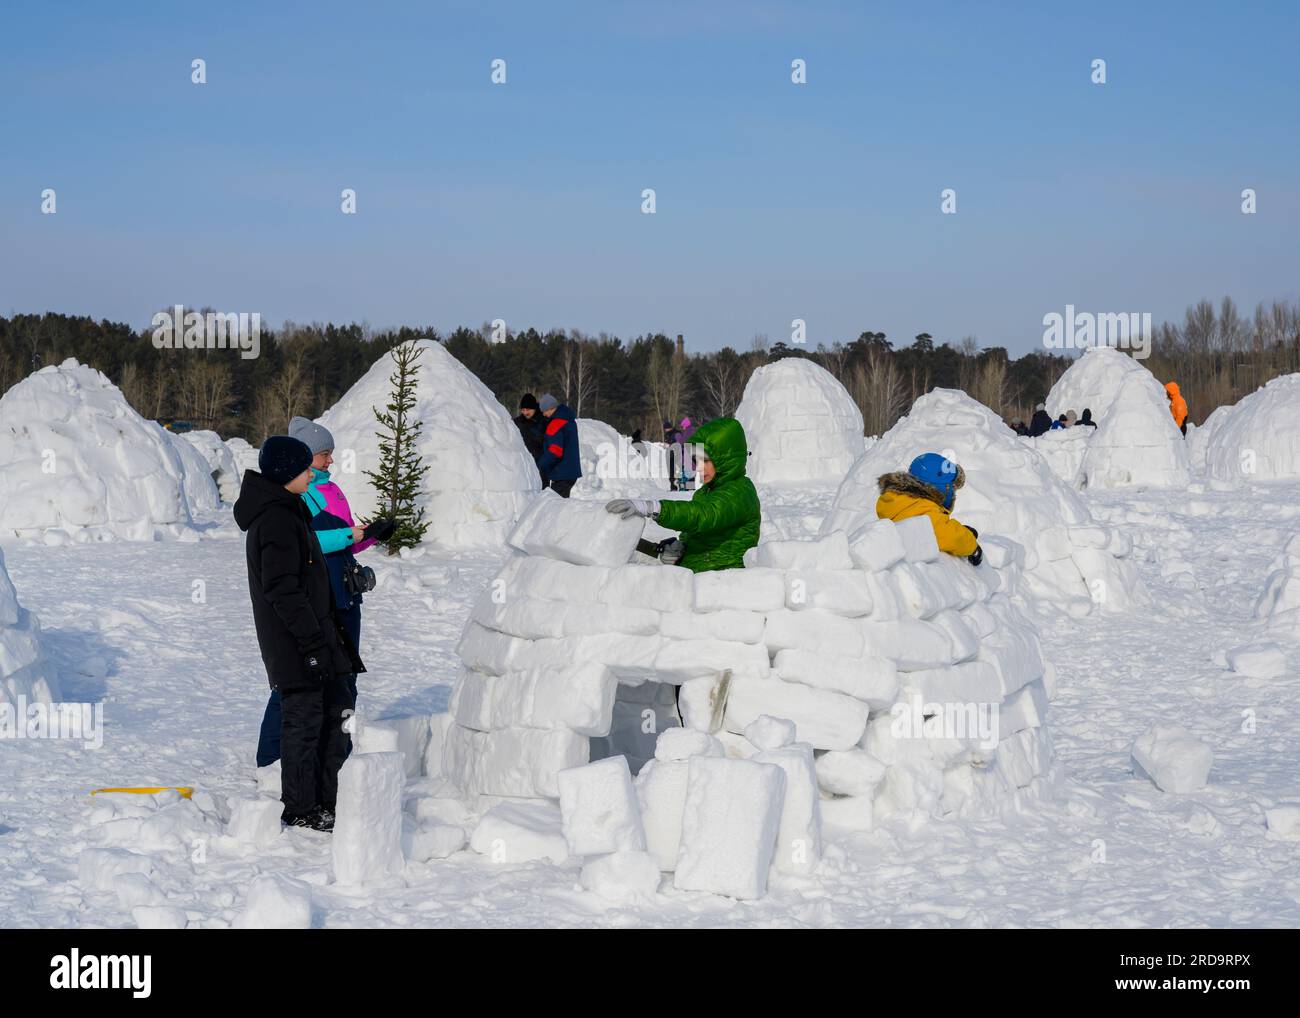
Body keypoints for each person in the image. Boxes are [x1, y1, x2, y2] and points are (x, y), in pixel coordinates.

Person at [234, 436, 364, 831]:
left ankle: (327, 800)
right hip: (296, 643)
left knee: (332, 714)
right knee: (304, 723)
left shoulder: (290, 511)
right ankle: (302, 808)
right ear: (288, 472)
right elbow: (282, 590)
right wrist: (312, 640)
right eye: (306, 468)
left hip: (318, 634)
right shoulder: (275, 520)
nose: (313, 473)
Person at [254, 417, 393, 769]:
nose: (331, 461)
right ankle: (273, 758)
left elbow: (343, 545)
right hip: (322, 597)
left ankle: (336, 755)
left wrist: (372, 534)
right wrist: (353, 535)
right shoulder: (301, 493)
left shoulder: (331, 489)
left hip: (345, 593)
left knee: (343, 681)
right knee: (300, 681)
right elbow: (309, 543)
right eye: (324, 454)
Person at [604, 417, 759, 572]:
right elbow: (696, 530)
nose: (698, 468)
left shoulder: (741, 491)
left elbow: (703, 515)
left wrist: (656, 507)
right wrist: (680, 548)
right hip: (699, 577)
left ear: (725, 459)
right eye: (696, 460)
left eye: (704, 460)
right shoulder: (705, 492)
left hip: (724, 581)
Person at [875, 453, 982, 565]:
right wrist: (972, 545)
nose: (953, 493)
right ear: (943, 487)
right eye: (952, 487)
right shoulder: (923, 510)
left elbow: (939, 525)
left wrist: (961, 530)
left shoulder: (903, 501)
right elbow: (948, 535)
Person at [536, 393, 582, 497]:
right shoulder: (569, 420)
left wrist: (539, 465)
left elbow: (555, 451)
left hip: (561, 472)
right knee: (560, 504)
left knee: (555, 507)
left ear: (550, 408)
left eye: (544, 411)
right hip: (570, 471)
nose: (543, 414)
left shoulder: (555, 424)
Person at [514, 393, 544, 463]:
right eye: (523, 410)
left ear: (535, 408)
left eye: (528, 410)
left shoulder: (544, 422)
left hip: (541, 465)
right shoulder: (517, 423)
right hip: (524, 464)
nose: (525, 413)